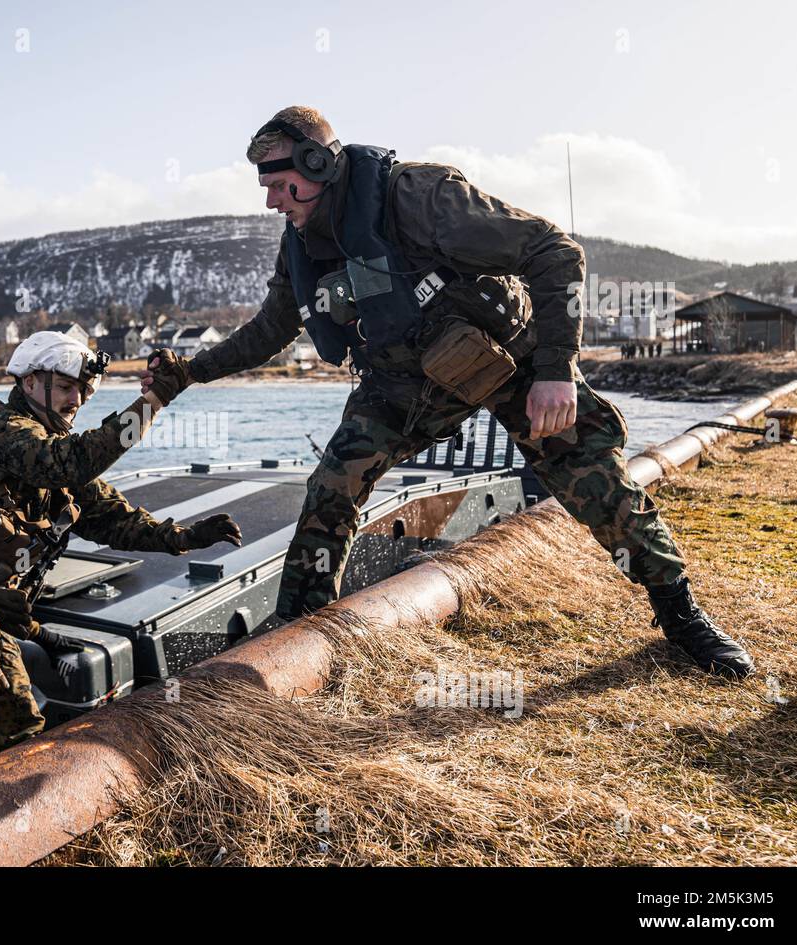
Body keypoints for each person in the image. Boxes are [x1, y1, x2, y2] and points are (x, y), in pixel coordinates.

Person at [141, 105, 753, 679]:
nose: (272, 202)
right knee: (332, 487)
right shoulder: (301, 242)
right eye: (265, 189)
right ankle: (304, 634)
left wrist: (556, 370)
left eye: (279, 185)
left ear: (318, 165)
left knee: (597, 483)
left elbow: (554, 251)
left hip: (506, 362)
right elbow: (269, 331)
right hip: (403, 382)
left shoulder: (419, 197)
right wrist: (189, 372)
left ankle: (682, 616)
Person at [0, 331, 242, 781]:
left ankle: (12, 808)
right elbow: (68, 462)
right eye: (67, 388)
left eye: (83, 392)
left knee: (20, 728)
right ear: (29, 382)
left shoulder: (51, 447)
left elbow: (110, 518)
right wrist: (156, 398)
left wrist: (183, 538)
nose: (76, 401)